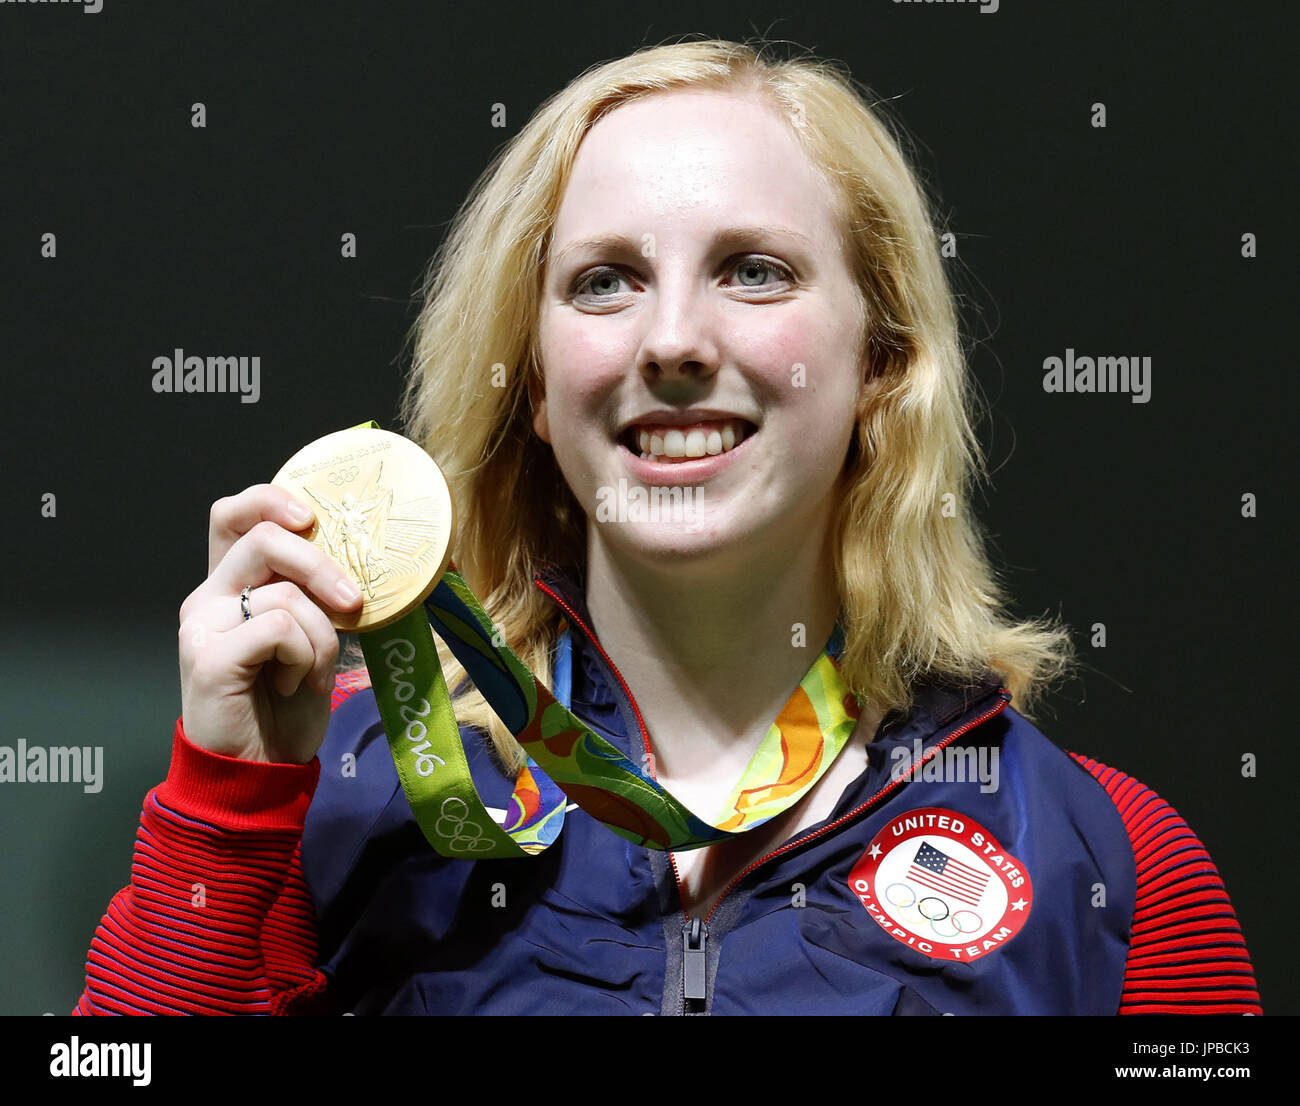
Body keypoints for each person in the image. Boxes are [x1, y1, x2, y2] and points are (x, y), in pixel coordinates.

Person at [73, 38, 1260, 1016]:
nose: (673, 341)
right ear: (533, 382)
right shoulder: (335, 799)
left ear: (881, 367)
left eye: (753, 271)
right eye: (604, 280)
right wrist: (229, 810)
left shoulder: (1107, 862)